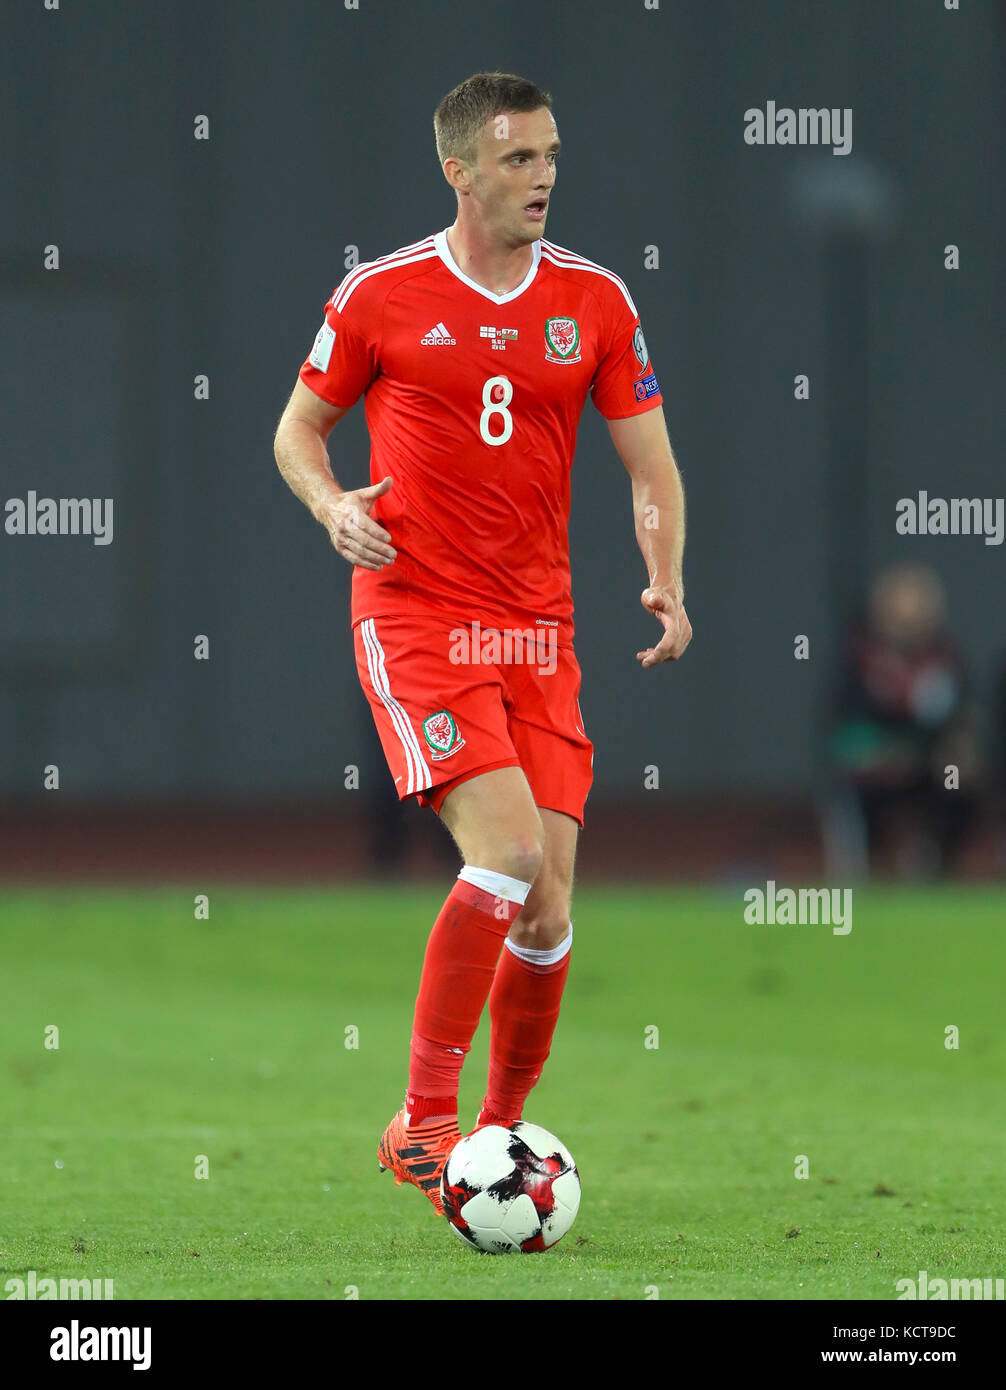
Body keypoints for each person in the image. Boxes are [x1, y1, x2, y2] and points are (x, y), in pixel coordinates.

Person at [273, 72, 691, 1215]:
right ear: (456, 169)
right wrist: (331, 507)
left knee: (550, 910)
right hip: (415, 616)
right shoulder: (382, 294)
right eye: (516, 159)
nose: (542, 176)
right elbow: (298, 429)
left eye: (549, 154)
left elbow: (648, 463)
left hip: (537, 632)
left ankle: (499, 1139)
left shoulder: (595, 301)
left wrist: (663, 577)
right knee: (502, 854)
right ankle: (424, 1119)